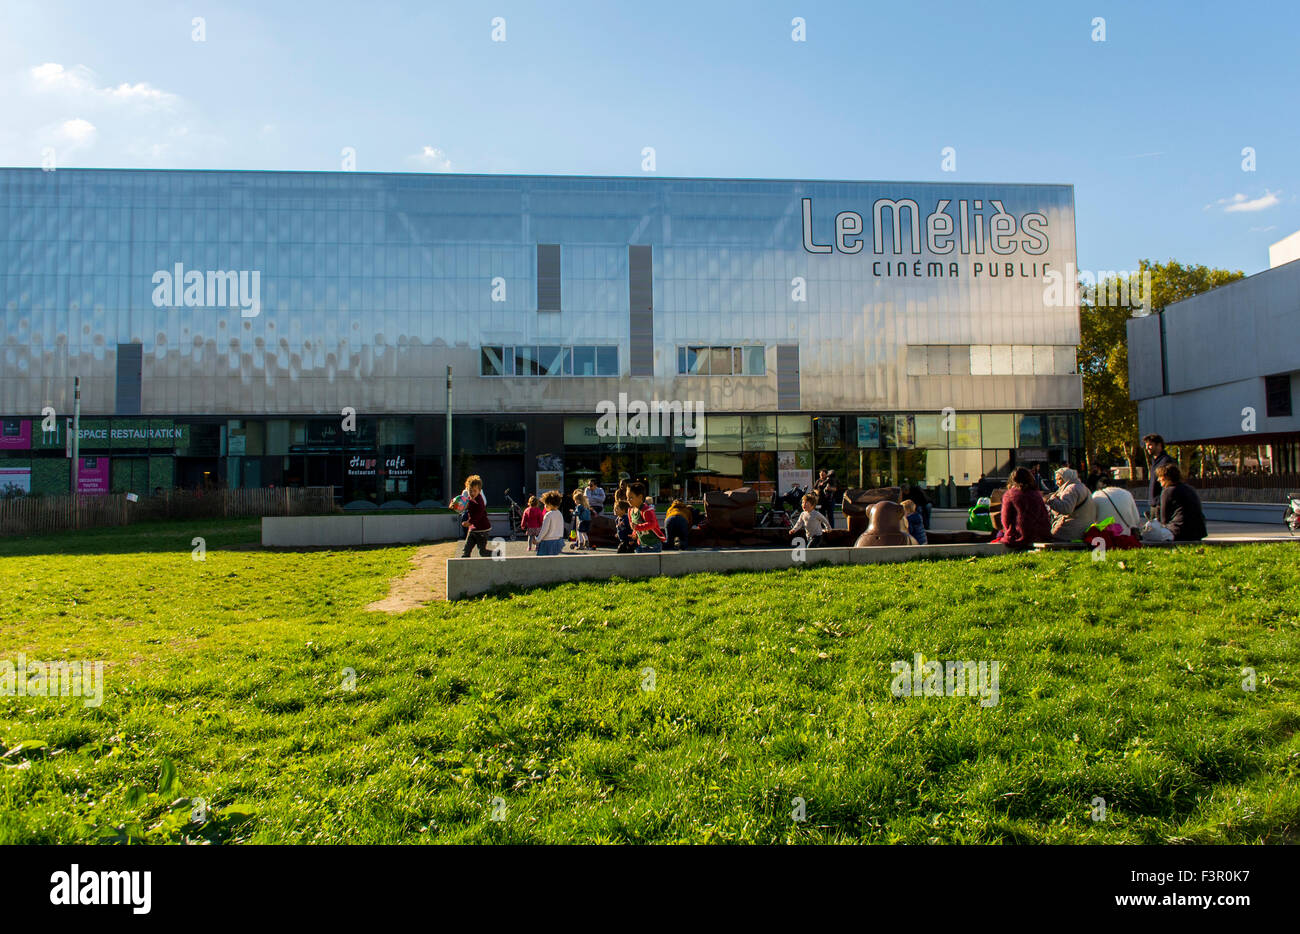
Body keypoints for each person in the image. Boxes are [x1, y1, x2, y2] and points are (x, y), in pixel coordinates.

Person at [999, 466, 1052, 551]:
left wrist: (1008, 531)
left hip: (1021, 535)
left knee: (998, 535)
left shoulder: (1010, 494)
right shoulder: (1037, 494)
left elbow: (1005, 520)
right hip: (1042, 534)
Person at [1046, 467, 1098, 542]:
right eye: (1056, 480)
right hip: (1083, 529)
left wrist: (1051, 500)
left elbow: (1066, 509)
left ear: (1067, 477)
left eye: (1059, 479)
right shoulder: (1083, 487)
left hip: (1069, 531)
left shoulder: (1071, 489)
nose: (1057, 483)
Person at [1156, 463, 1206, 541]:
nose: (1158, 479)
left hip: (1179, 532)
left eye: (1159, 476)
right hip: (1198, 532)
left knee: (1150, 534)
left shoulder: (1168, 491)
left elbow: (1164, 519)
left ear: (1166, 477)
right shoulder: (1190, 488)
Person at [459, 474, 493, 557]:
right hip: (473, 529)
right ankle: (465, 557)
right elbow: (466, 505)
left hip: (482, 529)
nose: (472, 493)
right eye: (470, 491)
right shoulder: (471, 498)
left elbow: (478, 515)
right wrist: (455, 505)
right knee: (466, 549)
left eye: (474, 491)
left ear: (479, 490)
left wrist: (469, 522)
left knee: (482, 552)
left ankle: (497, 553)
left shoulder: (479, 502)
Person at [626, 482, 665, 553]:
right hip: (641, 544)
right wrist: (634, 534)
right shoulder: (630, 511)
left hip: (653, 545)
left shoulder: (646, 510)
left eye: (631, 497)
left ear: (640, 497)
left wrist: (637, 527)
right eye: (627, 497)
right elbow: (635, 526)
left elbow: (652, 524)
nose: (628, 500)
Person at [1143, 434, 1175, 517]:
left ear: (1159, 445)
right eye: (1146, 446)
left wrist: (1160, 502)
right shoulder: (1155, 461)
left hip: (1161, 506)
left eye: (1150, 445)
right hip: (1154, 505)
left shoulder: (1166, 461)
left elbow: (1169, 484)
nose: (1147, 448)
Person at [535, 490, 566, 556]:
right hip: (558, 541)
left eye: (545, 504)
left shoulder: (548, 515)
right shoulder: (559, 513)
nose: (544, 506)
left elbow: (544, 530)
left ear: (549, 504)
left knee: (544, 562)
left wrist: (538, 539)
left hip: (547, 542)